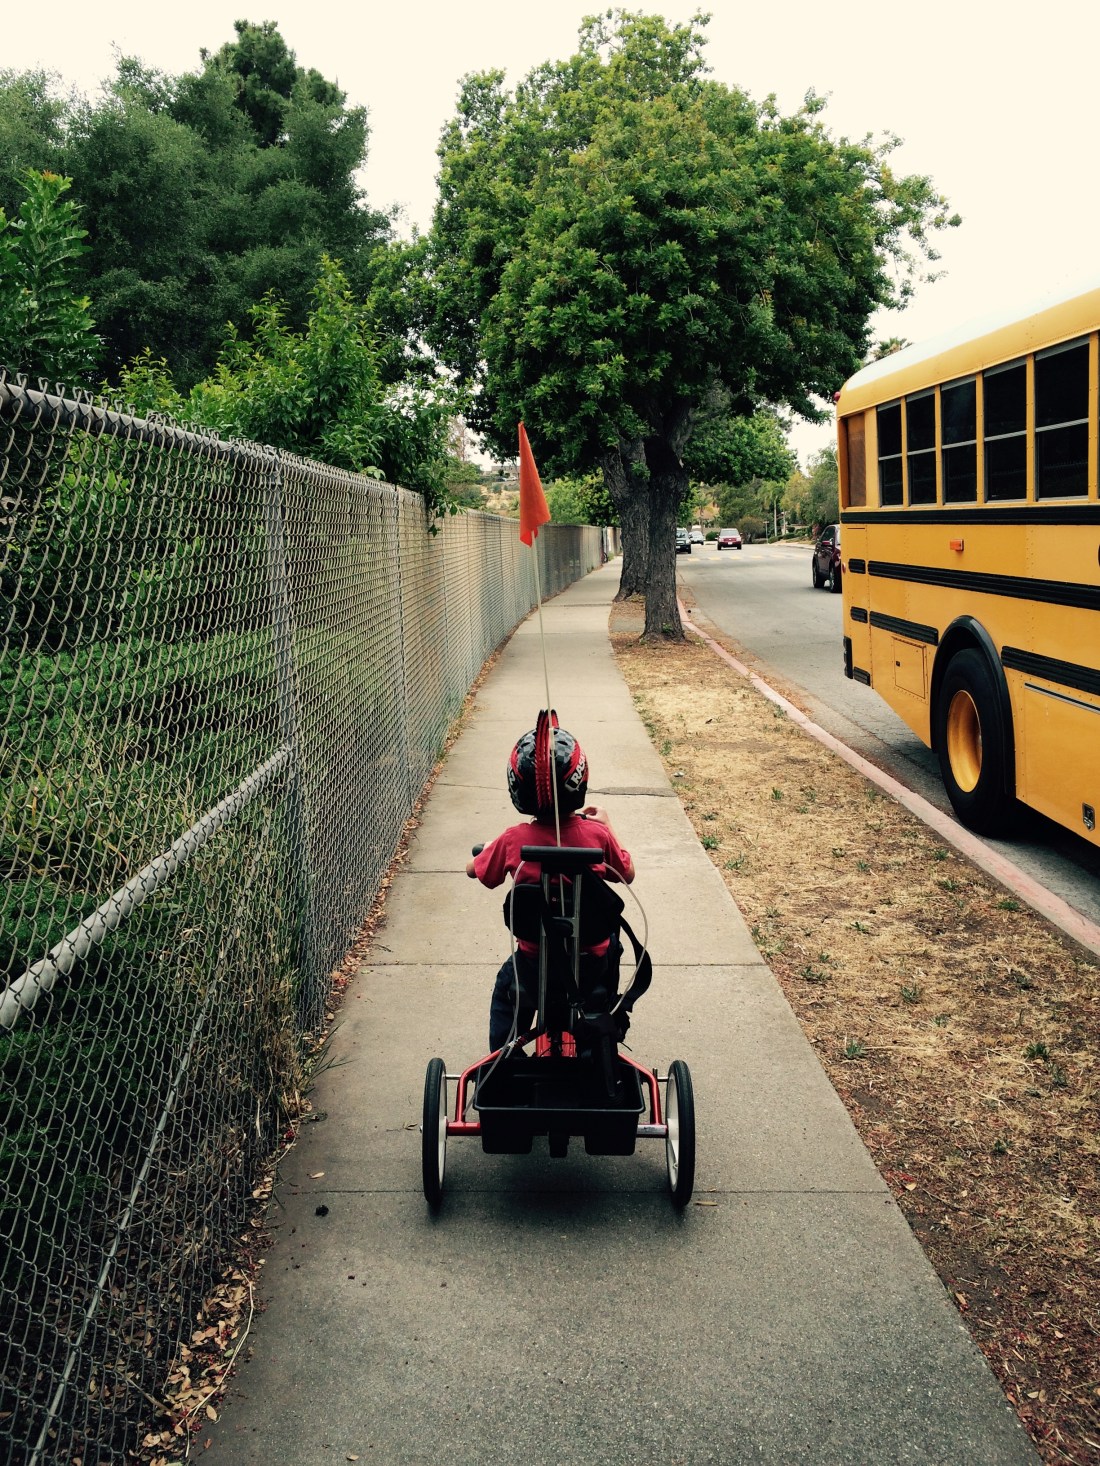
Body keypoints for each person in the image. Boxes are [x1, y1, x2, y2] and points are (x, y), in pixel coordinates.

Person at [466, 713, 635, 1051]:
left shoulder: (514, 841)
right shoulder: (597, 835)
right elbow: (626, 873)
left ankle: (503, 1059)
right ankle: (597, 1044)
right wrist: (608, 825)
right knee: (611, 941)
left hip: (533, 967)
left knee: (506, 993)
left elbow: (477, 871)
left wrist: (484, 852)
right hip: (591, 967)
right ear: (580, 780)